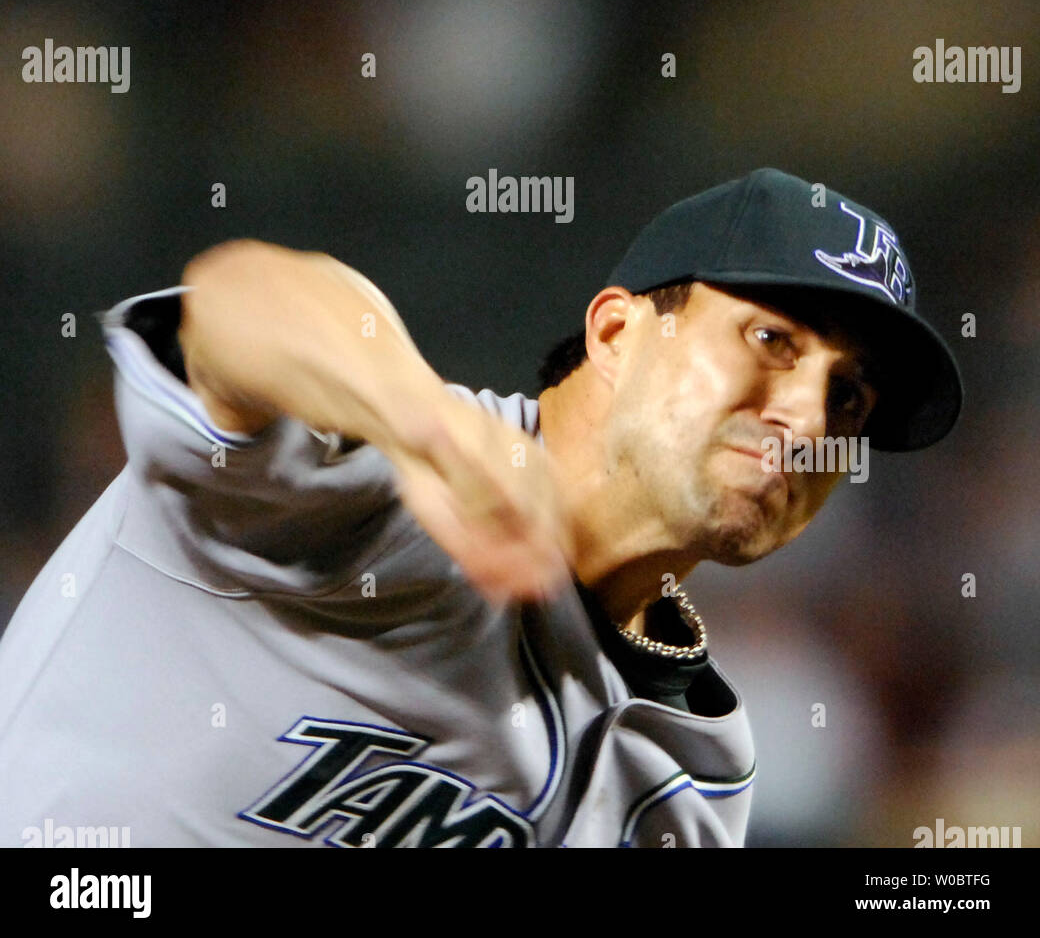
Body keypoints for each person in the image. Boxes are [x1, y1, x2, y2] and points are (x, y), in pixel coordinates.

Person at [0, 167, 961, 848]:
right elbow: (242, 302)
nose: (807, 416)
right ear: (619, 331)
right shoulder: (368, 470)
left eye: (850, 400)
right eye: (772, 339)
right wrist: (422, 423)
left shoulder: (698, 766)